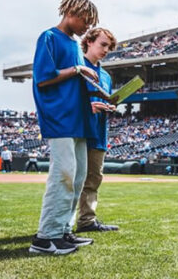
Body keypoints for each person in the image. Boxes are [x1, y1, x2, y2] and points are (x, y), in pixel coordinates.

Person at [29, 0, 100, 256]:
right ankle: (44, 237)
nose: (88, 27)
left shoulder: (74, 45)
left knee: (78, 178)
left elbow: (73, 81)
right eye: (86, 20)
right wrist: (78, 70)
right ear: (71, 12)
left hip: (78, 119)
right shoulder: (48, 37)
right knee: (63, 176)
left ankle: (63, 231)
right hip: (59, 119)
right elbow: (43, 78)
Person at [75, 27, 120, 234]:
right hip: (78, 131)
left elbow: (104, 99)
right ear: (89, 42)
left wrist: (110, 106)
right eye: (103, 44)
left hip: (99, 132)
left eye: (109, 48)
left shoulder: (106, 76)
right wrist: (88, 107)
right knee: (72, 179)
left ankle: (87, 221)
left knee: (93, 179)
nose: (106, 50)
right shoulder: (76, 67)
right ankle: (62, 225)